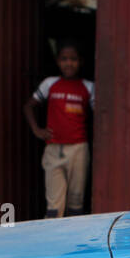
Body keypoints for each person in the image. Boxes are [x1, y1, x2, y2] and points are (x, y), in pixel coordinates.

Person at [24, 41, 94, 218]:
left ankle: (73, 242)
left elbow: (100, 114)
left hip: (79, 149)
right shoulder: (50, 83)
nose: (68, 63)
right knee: (54, 207)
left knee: (76, 204)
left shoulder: (88, 87)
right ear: (58, 62)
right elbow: (29, 106)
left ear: (80, 62)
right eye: (64, 59)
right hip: (54, 150)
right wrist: (37, 130)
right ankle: (52, 242)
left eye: (73, 59)